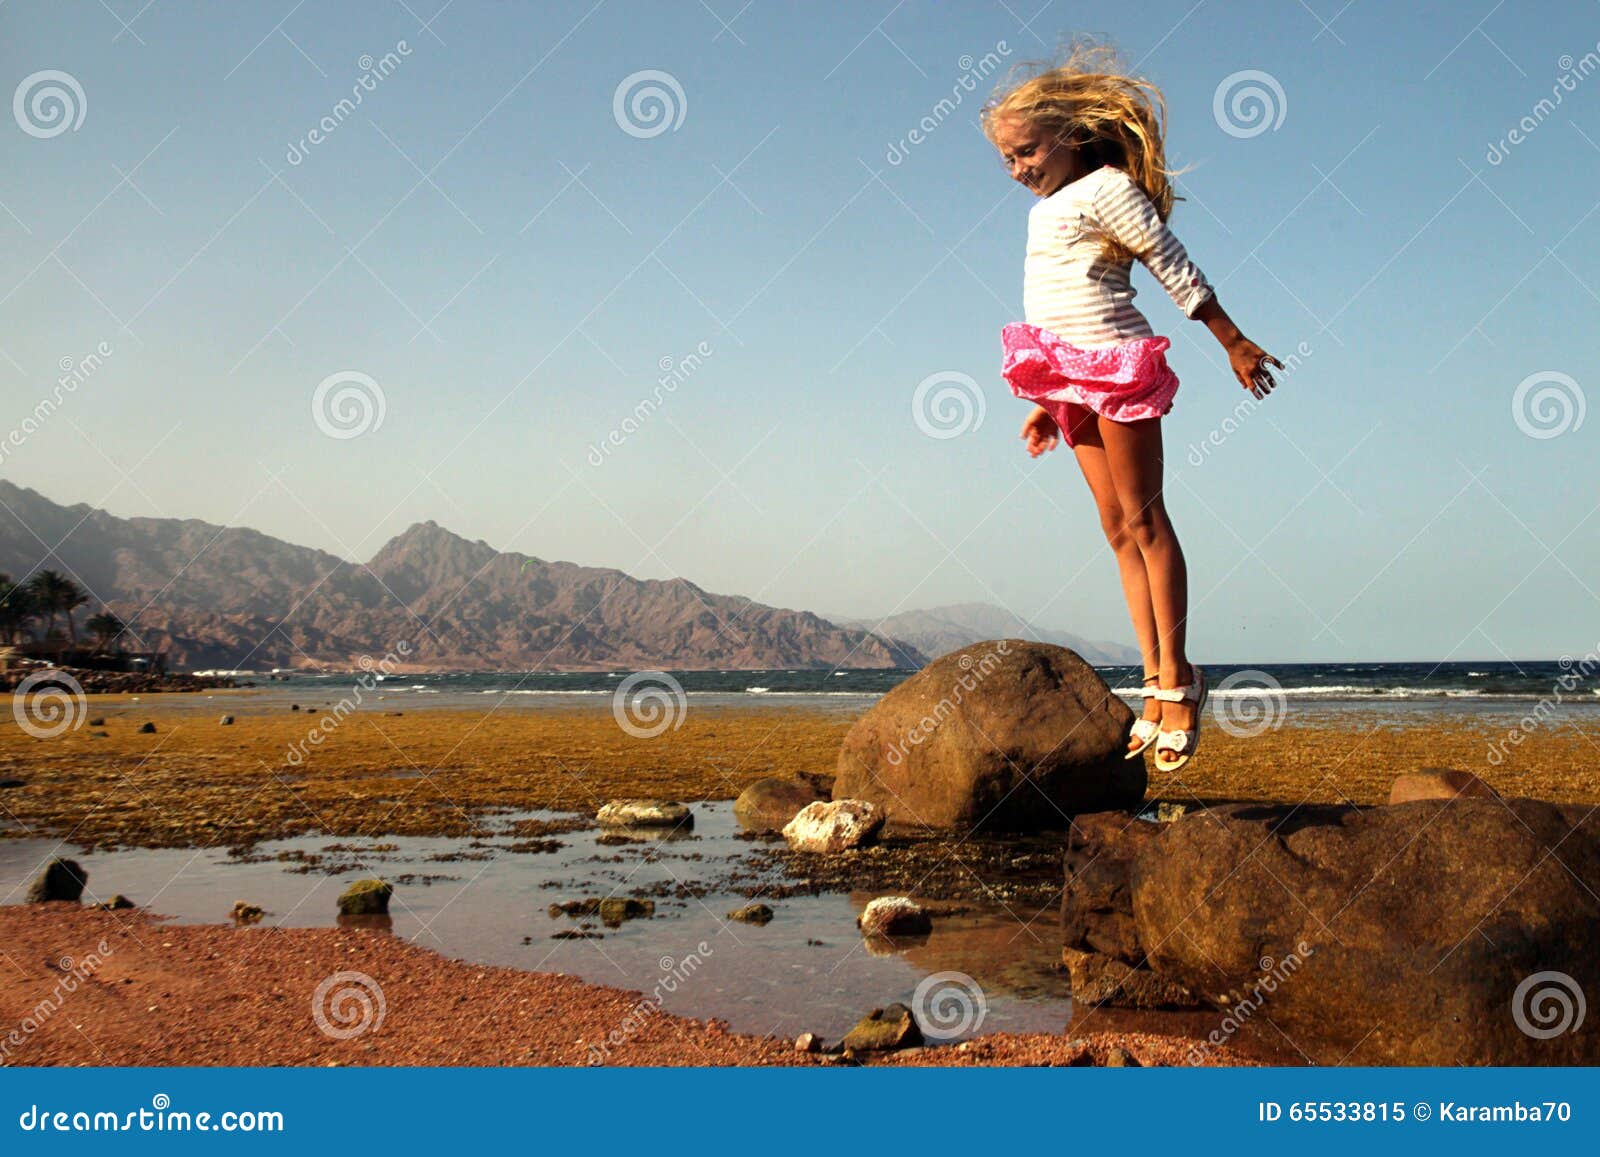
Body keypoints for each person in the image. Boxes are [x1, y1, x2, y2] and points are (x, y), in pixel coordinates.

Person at [982, 41, 1281, 773]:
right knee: (1115, 528)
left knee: (1146, 518)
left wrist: (1233, 341)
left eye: (1028, 151)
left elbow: (1173, 265)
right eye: (1008, 161)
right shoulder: (1043, 211)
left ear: (1071, 135)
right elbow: (1056, 312)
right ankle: (1151, 683)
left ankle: (1179, 679)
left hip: (1118, 367)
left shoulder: (1110, 188)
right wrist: (1049, 403)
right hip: (1068, 378)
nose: (1020, 169)